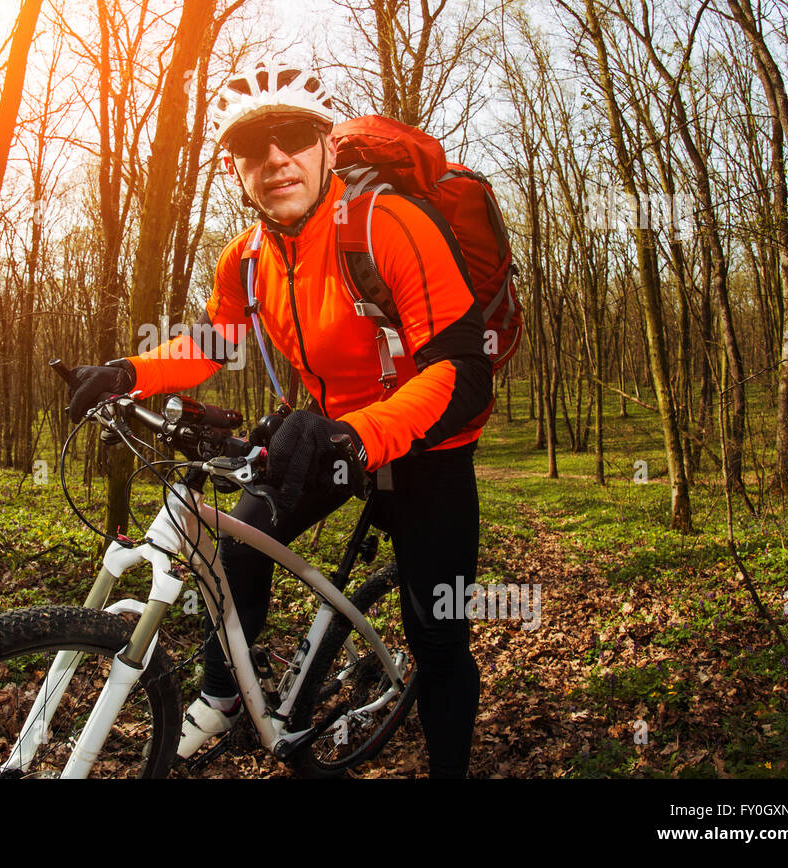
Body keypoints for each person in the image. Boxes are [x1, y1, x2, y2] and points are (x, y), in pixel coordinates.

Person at [66, 58, 493, 778]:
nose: (274, 159)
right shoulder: (247, 257)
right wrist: (127, 373)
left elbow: (463, 371)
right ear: (233, 170)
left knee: (439, 637)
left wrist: (364, 436)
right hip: (328, 436)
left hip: (426, 444)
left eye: (293, 135)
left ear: (327, 144)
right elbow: (213, 342)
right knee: (237, 549)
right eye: (249, 148)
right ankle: (223, 694)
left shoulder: (388, 225)